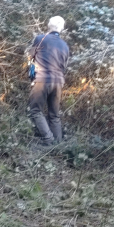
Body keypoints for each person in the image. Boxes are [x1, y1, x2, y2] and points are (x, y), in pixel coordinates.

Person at [26, 16, 70, 146]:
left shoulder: (40, 39)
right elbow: (64, 66)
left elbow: (31, 58)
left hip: (42, 79)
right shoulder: (65, 45)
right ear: (61, 28)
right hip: (58, 82)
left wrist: (32, 76)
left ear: (48, 26)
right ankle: (58, 146)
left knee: (35, 110)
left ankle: (48, 140)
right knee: (54, 115)